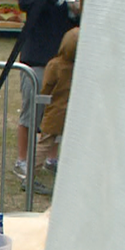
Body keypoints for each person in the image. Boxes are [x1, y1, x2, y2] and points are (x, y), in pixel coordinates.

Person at [13, 0, 91, 186]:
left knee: (58, 114)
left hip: (67, 62)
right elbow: (25, 1)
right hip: (36, 59)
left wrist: (82, 7)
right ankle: (23, 160)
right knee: (31, 114)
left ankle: (51, 158)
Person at [37, 26, 79, 173]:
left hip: (55, 110)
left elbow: (47, 86)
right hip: (75, 111)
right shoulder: (80, 67)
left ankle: (30, 176)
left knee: (44, 144)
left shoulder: (55, 64)